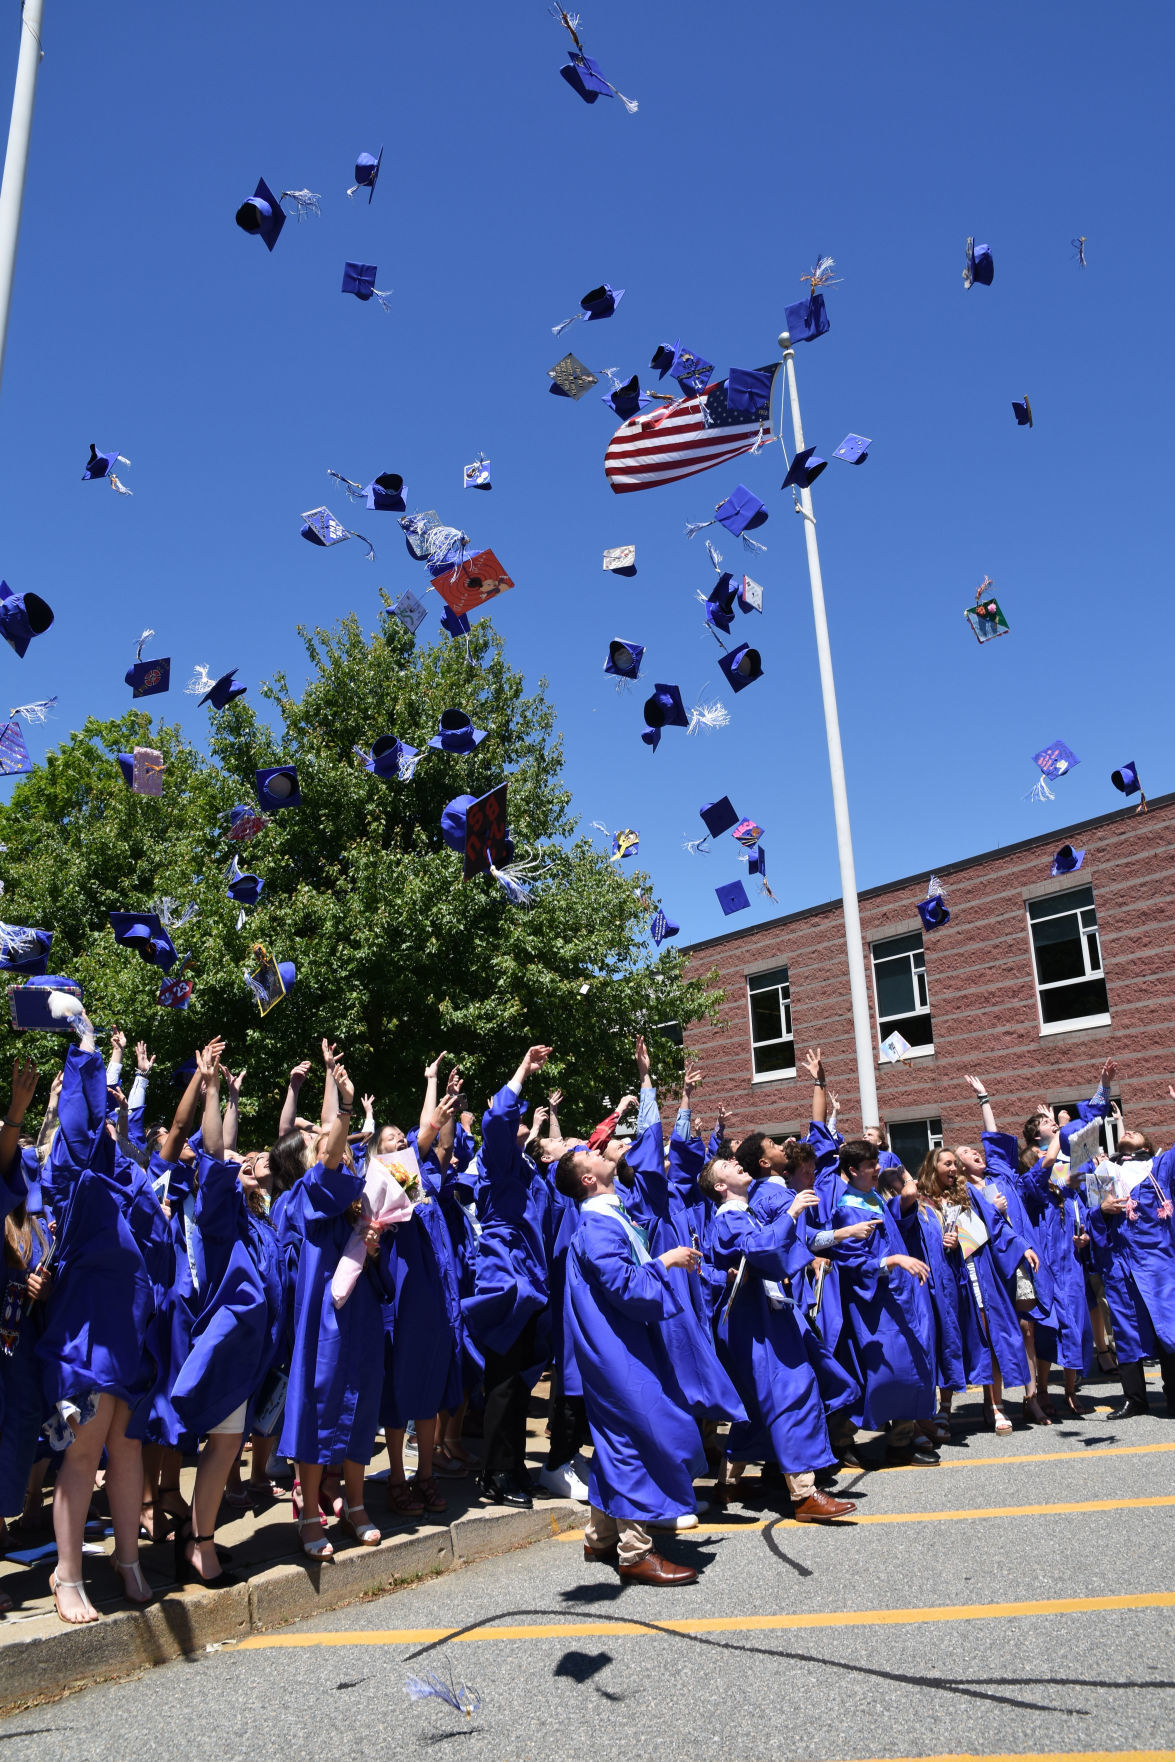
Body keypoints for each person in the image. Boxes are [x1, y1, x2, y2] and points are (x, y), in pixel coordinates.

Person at [37, 1007, 157, 1622]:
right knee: (82, 1454)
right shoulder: (71, 1179)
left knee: (127, 1450)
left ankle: (128, 1558)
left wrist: (121, 1093)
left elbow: (120, 1129)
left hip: (126, 1339)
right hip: (85, 1343)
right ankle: (66, 1573)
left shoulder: (125, 1179)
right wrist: (84, 1044)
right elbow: (83, 1130)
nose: (109, 1122)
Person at [556, 1139, 703, 1584]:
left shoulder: (608, 1215)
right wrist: (665, 1261)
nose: (604, 1155)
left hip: (620, 1344)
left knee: (620, 1437)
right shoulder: (598, 1226)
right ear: (588, 1179)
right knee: (642, 1436)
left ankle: (600, 1537)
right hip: (615, 1350)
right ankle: (636, 1553)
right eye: (596, 1158)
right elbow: (624, 1285)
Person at [699, 1153, 856, 1521]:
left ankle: (727, 1483)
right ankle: (804, 1494)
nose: (737, 1162)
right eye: (726, 1165)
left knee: (756, 1406)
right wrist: (792, 1213)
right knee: (791, 1393)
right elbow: (762, 1249)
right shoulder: (730, 1217)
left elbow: (774, 1251)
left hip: (763, 1316)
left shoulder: (746, 1213)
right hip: (755, 1323)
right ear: (720, 1187)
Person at [278, 1059, 388, 1559]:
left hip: (360, 1309)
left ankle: (356, 1503)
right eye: (319, 1144)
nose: (329, 1144)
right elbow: (331, 1147)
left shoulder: (350, 1196)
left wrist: (371, 1242)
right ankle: (307, 1513)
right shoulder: (307, 1193)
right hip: (322, 1316)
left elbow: (334, 1149)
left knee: (362, 1399)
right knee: (317, 1403)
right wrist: (342, 1103)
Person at [462, 1045, 554, 1509]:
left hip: (530, 1277)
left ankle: (514, 1465)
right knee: (501, 1380)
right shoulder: (496, 1158)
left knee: (520, 1381)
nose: (518, 1116)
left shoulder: (522, 1166)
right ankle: (494, 1472)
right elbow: (500, 1118)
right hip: (505, 1276)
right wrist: (521, 1070)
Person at [1086, 1126, 1175, 1418]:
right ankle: (1135, 1399)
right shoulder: (1104, 1170)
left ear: (1146, 1146)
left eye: (1136, 1132)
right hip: (1119, 1263)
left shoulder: (1158, 1166)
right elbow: (1090, 1214)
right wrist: (1102, 1209)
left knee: (1167, 1327)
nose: (1130, 1130)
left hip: (1157, 1260)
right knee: (1126, 1329)